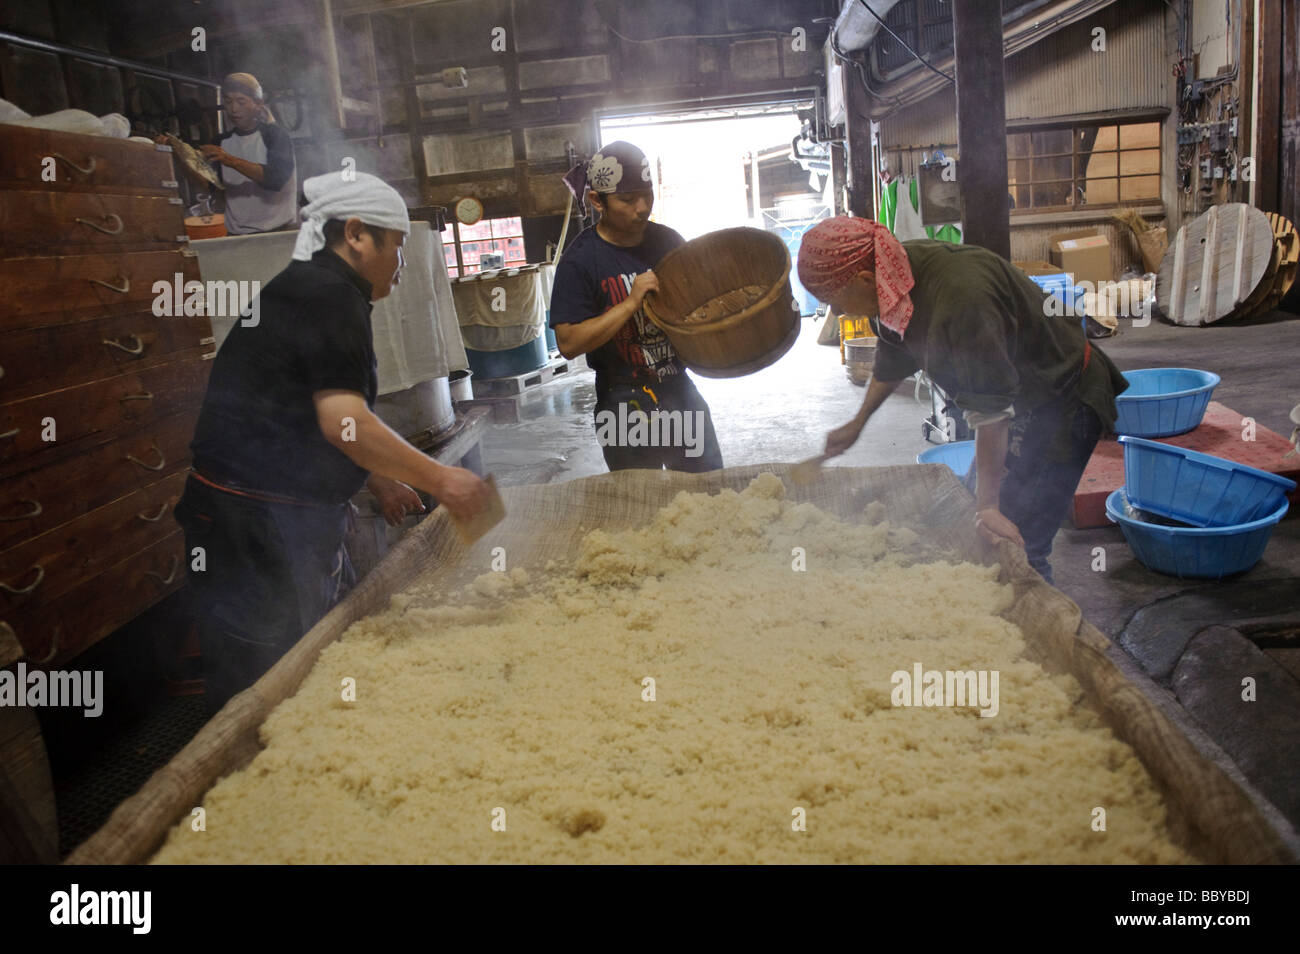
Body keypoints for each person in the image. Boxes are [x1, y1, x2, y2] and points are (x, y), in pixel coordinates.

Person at [175, 171, 491, 712]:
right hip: (254, 525)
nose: (402, 262)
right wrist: (442, 479)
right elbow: (342, 419)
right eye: (397, 246)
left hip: (261, 515)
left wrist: (379, 478)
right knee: (268, 684)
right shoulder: (328, 297)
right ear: (356, 235)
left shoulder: (312, 289)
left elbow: (301, 404)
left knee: (296, 664)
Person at [797, 216, 1127, 584]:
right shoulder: (888, 281)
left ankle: (1040, 631)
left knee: (1014, 544)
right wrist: (857, 424)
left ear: (861, 279)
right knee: (973, 523)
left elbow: (991, 411)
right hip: (1014, 399)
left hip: (1060, 397)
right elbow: (893, 359)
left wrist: (988, 506)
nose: (839, 313)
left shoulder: (961, 297)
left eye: (835, 301)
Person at [548, 140, 723, 472]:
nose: (642, 207)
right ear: (598, 200)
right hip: (622, 400)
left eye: (648, 195)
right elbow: (569, 344)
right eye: (627, 200)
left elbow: (697, 305)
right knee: (640, 504)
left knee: (710, 491)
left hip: (678, 390)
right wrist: (630, 303)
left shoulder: (668, 242)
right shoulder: (581, 261)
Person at [199, 72, 298, 234]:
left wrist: (229, 160)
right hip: (236, 234)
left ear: (258, 103)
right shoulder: (221, 142)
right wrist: (179, 155)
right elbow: (211, 186)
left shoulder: (274, 135)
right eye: (228, 101)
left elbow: (276, 179)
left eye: (241, 101)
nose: (233, 109)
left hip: (277, 231)